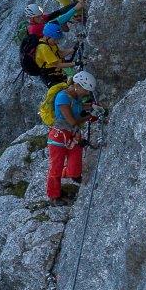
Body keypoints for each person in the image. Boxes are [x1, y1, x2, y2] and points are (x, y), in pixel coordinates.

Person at [46, 71, 99, 203]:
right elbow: (72, 121)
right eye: (86, 90)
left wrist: (92, 107)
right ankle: (54, 195)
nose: (87, 93)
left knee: (76, 154)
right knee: (56, 166)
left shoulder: (75, 96)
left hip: (70, 134)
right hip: (59, 135)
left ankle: (74, 175)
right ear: (77, 86)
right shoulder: (62, 97)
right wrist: (90, 116)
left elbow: (78, 106)